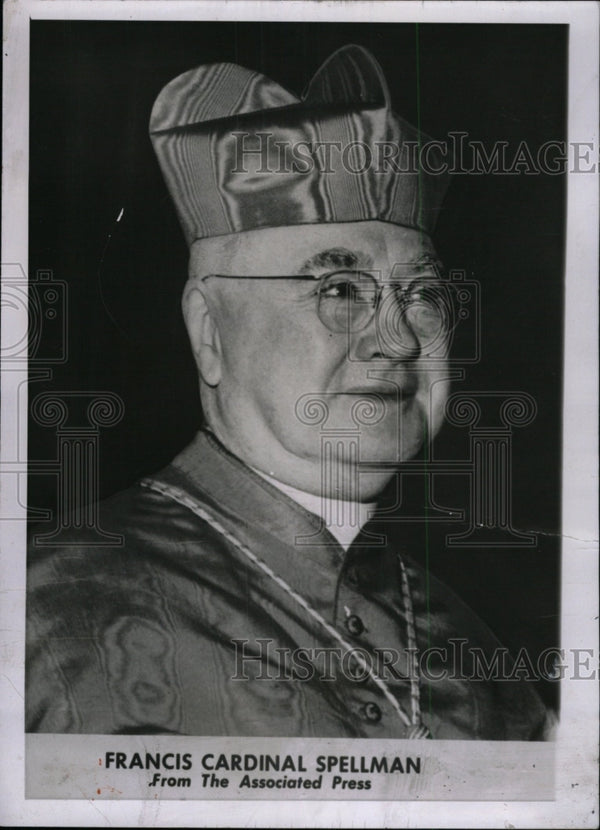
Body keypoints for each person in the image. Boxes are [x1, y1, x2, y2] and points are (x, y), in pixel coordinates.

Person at [26, 45, 550, 739]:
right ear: (210, 332)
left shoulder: (485, 660)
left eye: (422, 294)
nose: (394, 339)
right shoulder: (48, 607)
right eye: (338, 289)